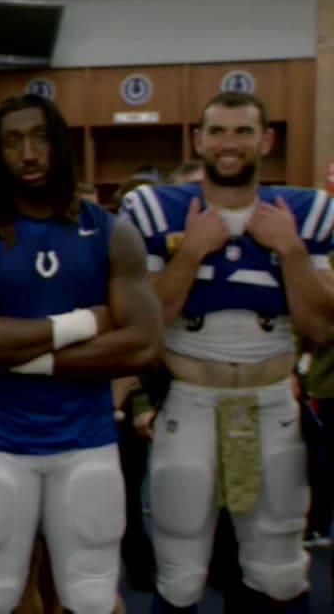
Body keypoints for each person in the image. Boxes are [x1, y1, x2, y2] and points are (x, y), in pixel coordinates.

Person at [0, 93, 163, 614]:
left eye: (40, 138)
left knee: (88, 595)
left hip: (86, 439)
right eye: (13, 142)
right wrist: (84, 323)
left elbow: (146, 345)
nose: (30, 153)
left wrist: (21, 353)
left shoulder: (111, 232)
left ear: (60, 146)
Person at [118, 90, 334, 613]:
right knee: (182, 569)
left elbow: (321, 326)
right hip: (191, 401)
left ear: (266, 139)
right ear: (198, 140)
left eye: (242, 131)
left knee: (279, 567)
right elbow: (143, 325)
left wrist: (293, 250)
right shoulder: (154, 211)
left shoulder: (304, 214)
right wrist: (191, 251)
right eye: (217, 131)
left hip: (268, 405)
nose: (229, 143)